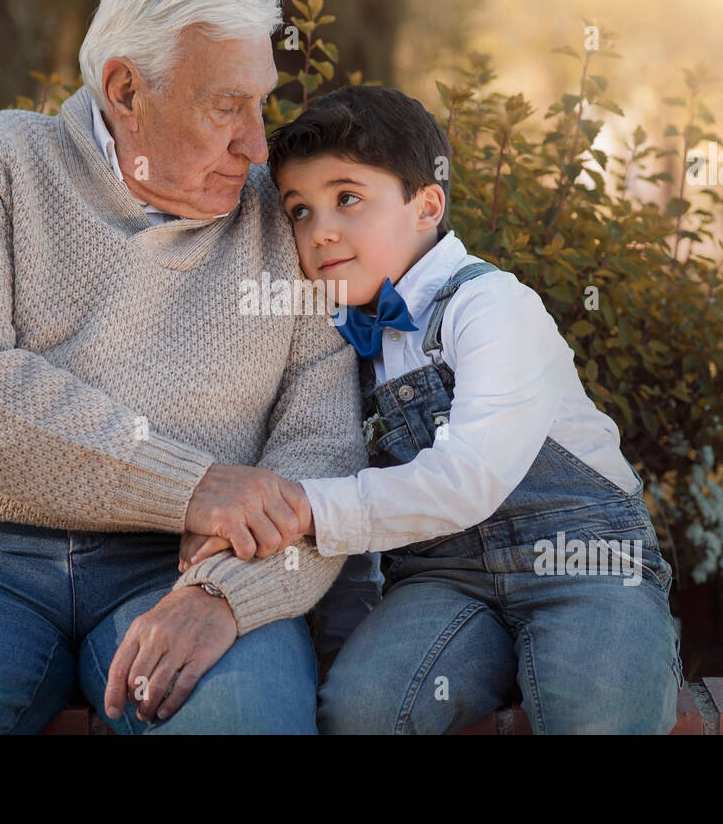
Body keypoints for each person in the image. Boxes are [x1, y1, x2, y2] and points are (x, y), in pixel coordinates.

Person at [0, 0, 372, 735]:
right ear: (124, 90)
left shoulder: (281, 215)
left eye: (261, 104)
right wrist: (188, 483)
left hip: (187, 567)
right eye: (227, 106)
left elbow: (322, 460)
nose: (257, 144)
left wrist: (225, 597)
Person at [185, 84, 684, 733]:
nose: (321, 229)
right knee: (362, 709)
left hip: (582, 560)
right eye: (300, 210)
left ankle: (617, 645)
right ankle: (490, 654)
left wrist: (299, 505)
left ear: (426, 206)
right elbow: (358, 518)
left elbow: (468, 479)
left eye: (348, 198)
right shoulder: (342, 337)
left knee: (596, 712)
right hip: (446, 580)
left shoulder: (492, 305)